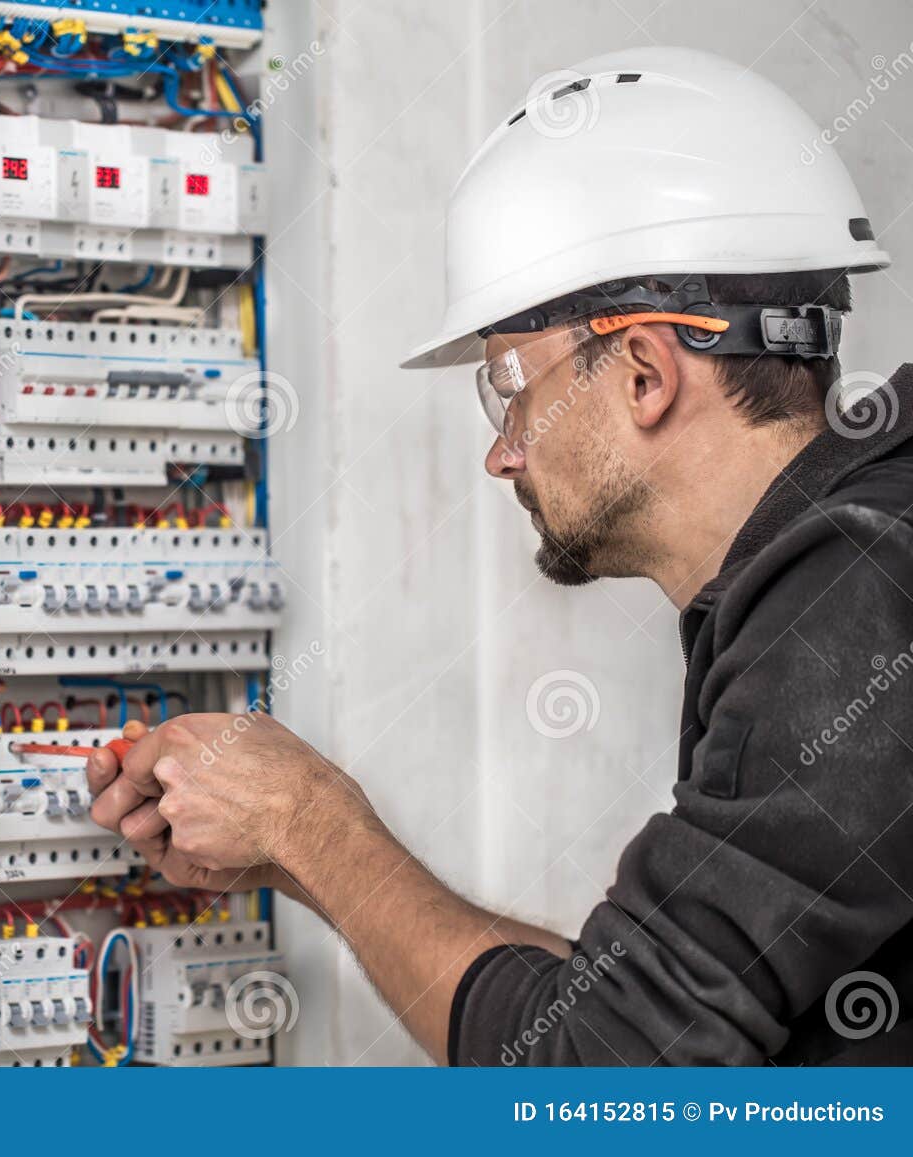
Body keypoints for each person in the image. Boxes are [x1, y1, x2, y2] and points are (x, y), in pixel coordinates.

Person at [86, 47, 913, 1065]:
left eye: (510, 387)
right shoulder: (844, 569)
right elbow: (649, 1022)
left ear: (646, 369)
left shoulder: (853, 596)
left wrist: (314, 821)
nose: (501, 448)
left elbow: (606, 1089)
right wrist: (286, 848)